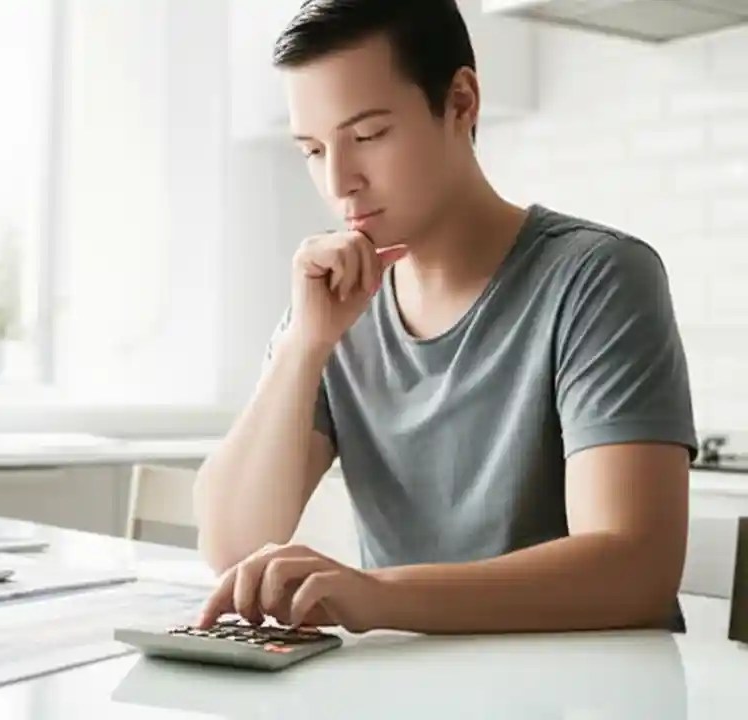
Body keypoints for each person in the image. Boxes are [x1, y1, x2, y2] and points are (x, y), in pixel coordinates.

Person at [193, 0, 696, 634]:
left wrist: (377, 595)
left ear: (461, 102)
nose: (340, 181)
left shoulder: (597, 277)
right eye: (314, 149)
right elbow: (232, 549)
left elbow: (635, 570)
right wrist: (303, 346)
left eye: (369, 135)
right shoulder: (335, 303)